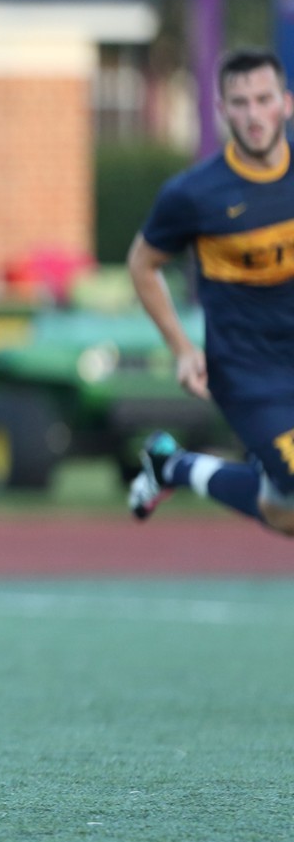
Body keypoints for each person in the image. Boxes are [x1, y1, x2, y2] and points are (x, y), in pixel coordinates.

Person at [126, 47, 294, 538]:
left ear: (286, 103)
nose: (253, 115)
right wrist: (181, 348)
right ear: (221, 111)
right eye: (239, 103)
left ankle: (171, 467)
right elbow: (143, 264)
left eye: (263, 99)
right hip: (248, 373)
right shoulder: (195, 194)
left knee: (284, 512)